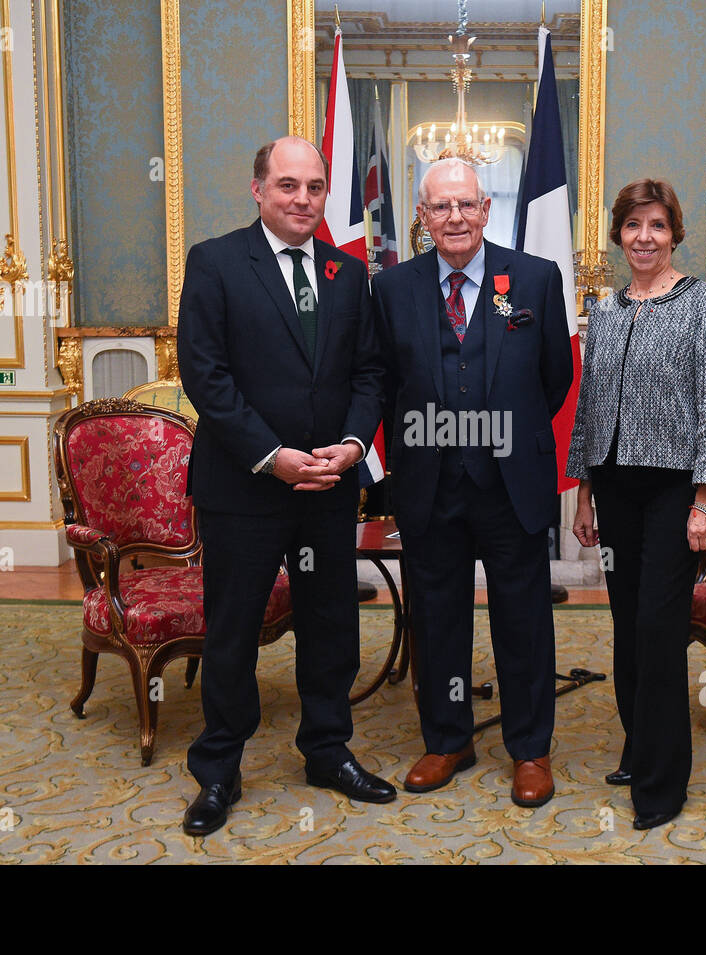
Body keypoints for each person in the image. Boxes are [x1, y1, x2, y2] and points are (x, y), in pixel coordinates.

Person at [176, 135, 395, 837]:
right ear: (258, 189)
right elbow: (205, 377)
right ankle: (218, 770)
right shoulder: (214, 263)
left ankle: (327, 751)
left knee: (331, 626)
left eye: (315, 186)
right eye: (288, 186)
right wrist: (272, 456)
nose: (303, 199)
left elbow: (369, 373)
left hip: (328, 487)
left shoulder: (346, 270)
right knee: (233, 632)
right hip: (244, 488)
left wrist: (355, 445)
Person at [372, 158, 573, 807]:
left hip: (510, 481)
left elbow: (553, 378)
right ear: (423, 217)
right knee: (437, 620)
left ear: (487, 209)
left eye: (465, 204)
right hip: (430, 481)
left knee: (523, 621)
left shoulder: (535, 280)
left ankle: (530, 749)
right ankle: (448, 737)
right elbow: (385, 381)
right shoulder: (393, 288)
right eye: (440, 207)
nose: (454, 217)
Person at [566, 178, 706, 830]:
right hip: (614, 488)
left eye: (657, 226)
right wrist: (583, 496)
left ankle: (663, 782)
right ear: (618, 234)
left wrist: (705, 501)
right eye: (633, 226)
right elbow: (588, 409)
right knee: (628, 624)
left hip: (674, 490)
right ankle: (639, 744)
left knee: (660, 632)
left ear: (675, 233)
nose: (644, 237)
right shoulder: (604, 310)